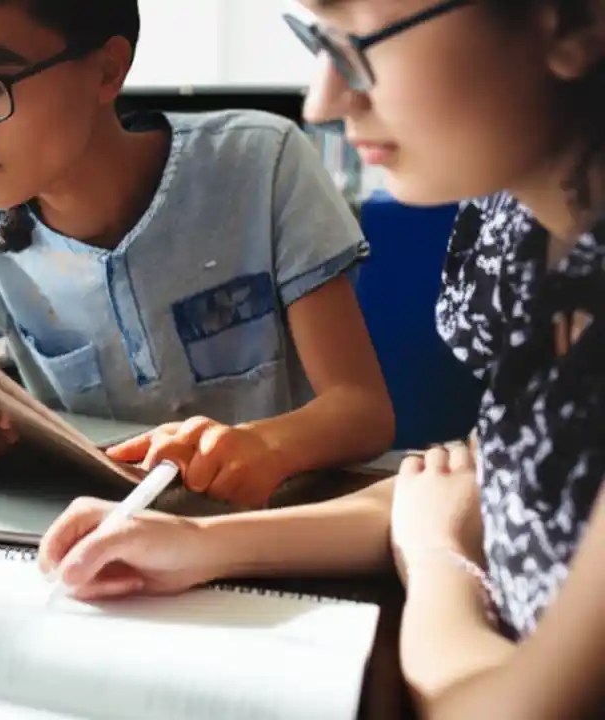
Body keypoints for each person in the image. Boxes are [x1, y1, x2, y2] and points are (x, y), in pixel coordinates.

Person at [40, 0, 605, 716]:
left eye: (361, 41)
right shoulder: (529, 236)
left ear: (573, 23)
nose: (324, 98)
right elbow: (473, 489)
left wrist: (439, 565)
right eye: (317, 41)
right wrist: (200, 542)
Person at [0, 0, 394, 507]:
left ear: (105, 71)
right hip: (100, 537)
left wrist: (263, 444)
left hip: (277, 524)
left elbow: (363, 412)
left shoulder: (261, 164)